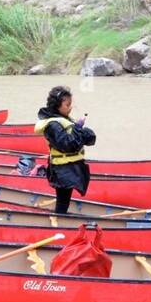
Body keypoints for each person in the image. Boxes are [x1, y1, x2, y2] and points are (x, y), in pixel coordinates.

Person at [34, 85, 96, 214]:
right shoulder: (53, 125)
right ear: (57, 105)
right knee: (63, 200)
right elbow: (68, 145)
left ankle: (60, 219)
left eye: (70, 104)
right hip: (62, 169)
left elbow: (90, 139)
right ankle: (60, 221)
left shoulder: (65, 120)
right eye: (67, 105)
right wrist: (79, 128)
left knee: (64, 200)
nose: (70, 108)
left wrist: (81, 130)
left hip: (71, 167)